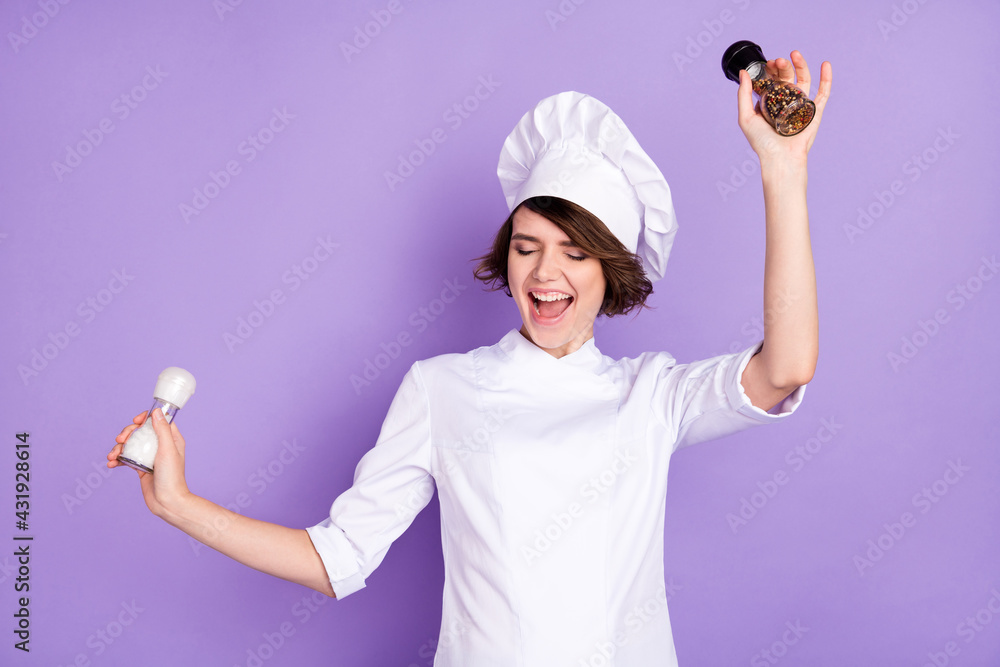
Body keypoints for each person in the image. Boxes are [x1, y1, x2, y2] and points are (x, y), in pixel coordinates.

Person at [108, 51, 832, 666]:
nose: (545, 272)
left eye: (575, 252)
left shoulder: (652, 394)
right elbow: (337, 559)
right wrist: (178, 503)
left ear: (611, 271)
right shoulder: (442, 387)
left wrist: (783, 169)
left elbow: (786, 366)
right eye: (527, 247)